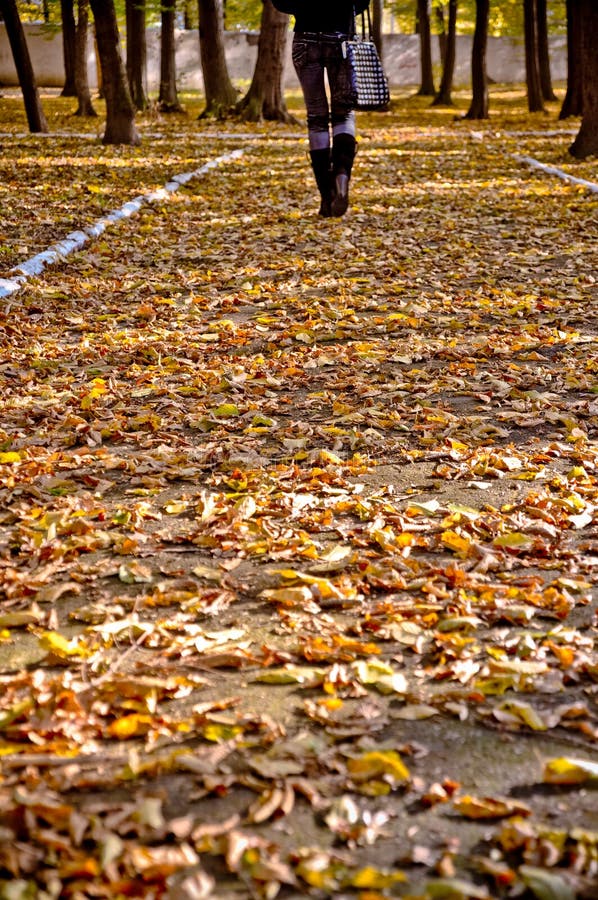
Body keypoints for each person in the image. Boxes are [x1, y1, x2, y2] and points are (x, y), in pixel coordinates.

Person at [271, 0, 370, 218]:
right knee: (344, 114)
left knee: (316, 118)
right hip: (341, 38)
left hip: (305, 38)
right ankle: (342, 175)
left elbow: (279, 2)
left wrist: (303, 9)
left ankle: (327, 197)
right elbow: (362, 2)